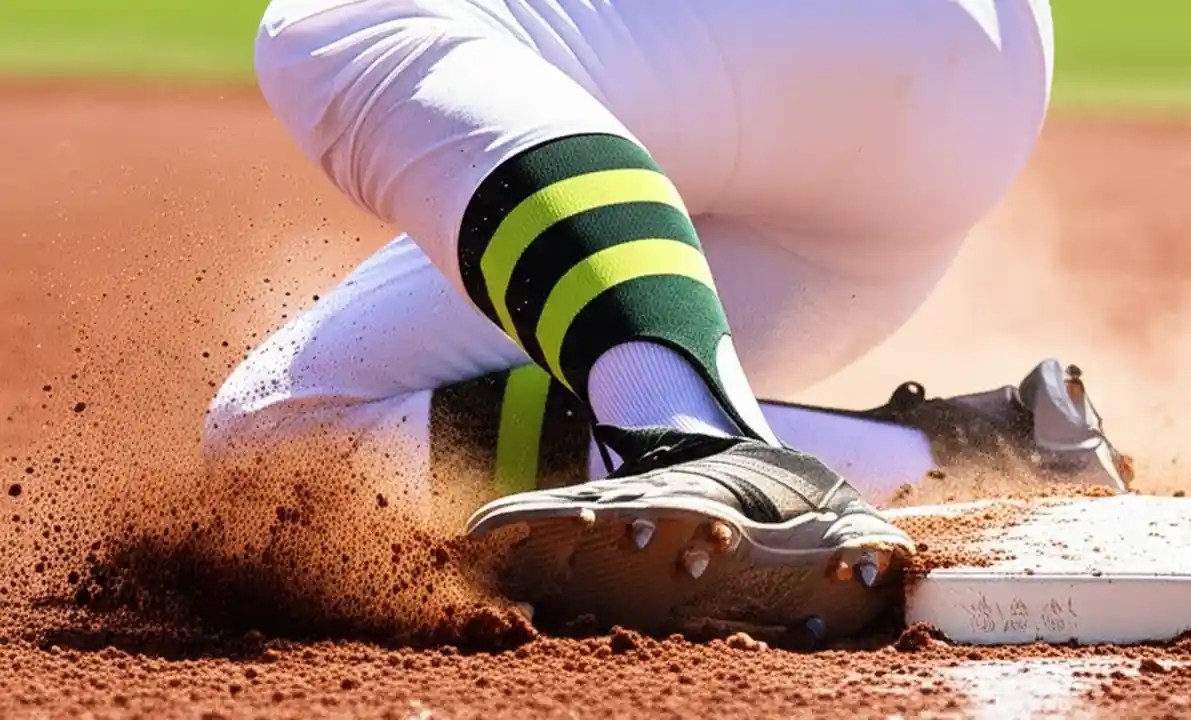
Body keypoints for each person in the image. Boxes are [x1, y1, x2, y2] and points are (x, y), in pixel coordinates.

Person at [206, 0, 1127, 641]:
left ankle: (692, 442)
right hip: (898, 107)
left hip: (801, 43)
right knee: (277, 454)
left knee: (339, 18)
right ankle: (964, 463)